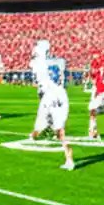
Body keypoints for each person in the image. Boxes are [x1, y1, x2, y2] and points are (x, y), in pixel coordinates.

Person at [29, 40, 75, 171]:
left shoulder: (39, 64)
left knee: (47, 124)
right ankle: (69, 159)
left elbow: (40, 84)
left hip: (51, 95)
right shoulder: (60, 61)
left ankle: (37, 134)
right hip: (61, 94)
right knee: (59, 130)